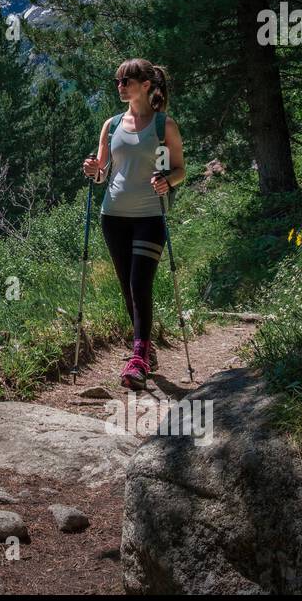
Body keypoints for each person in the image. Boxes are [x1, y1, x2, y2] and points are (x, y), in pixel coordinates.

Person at [82, 59, 185, 390]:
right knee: (128, 286)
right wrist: (93, 169)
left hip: (150, 215)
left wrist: (167, 182)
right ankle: (145, 348)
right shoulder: (111, 125)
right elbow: (101, 174)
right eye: (118, 81)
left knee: (140, 283)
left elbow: (180, 169)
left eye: (127, 80)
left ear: (146, 85)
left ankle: (138, 357)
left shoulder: (162, 126)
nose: (120, 85)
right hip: (112, 217)